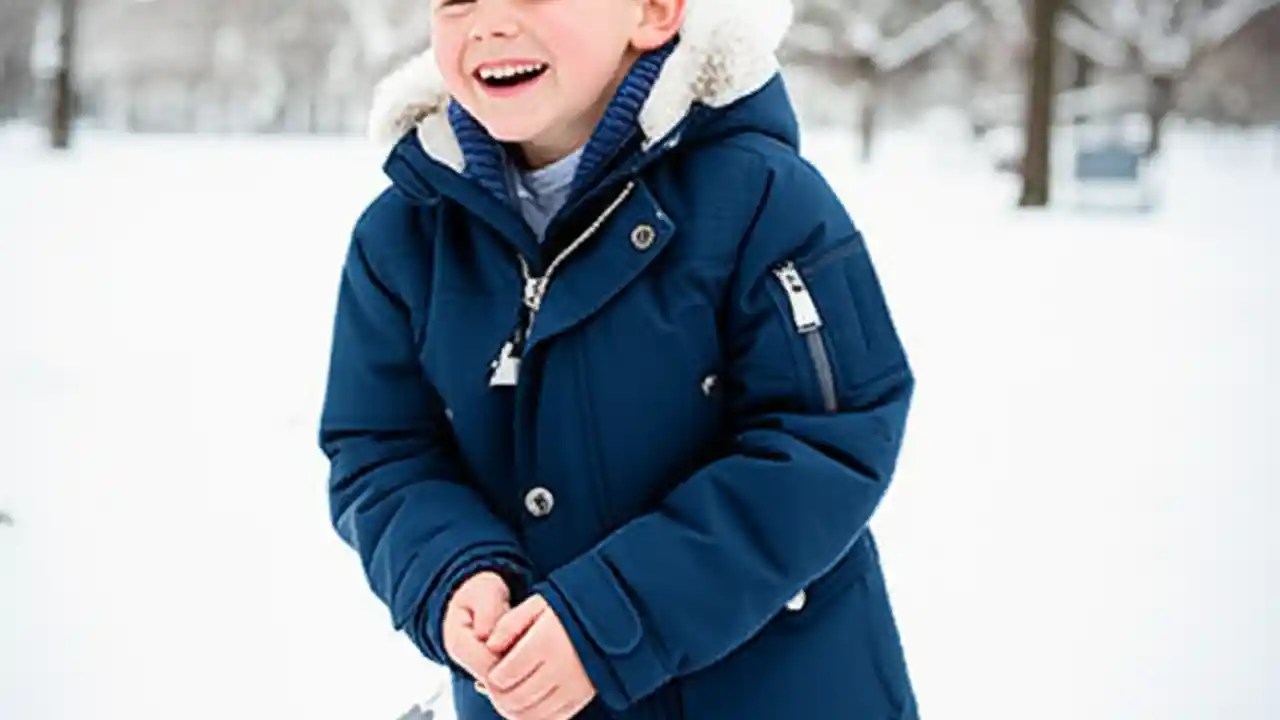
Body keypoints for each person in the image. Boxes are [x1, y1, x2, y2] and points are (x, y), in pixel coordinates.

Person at [319, 0, 919, 718]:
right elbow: (381, 448)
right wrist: (450, 573)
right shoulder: (403, 238)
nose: (489, 22)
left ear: (656, 10)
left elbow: (826, 441)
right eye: (457, 0)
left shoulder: (763, 199)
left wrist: (610, 619)